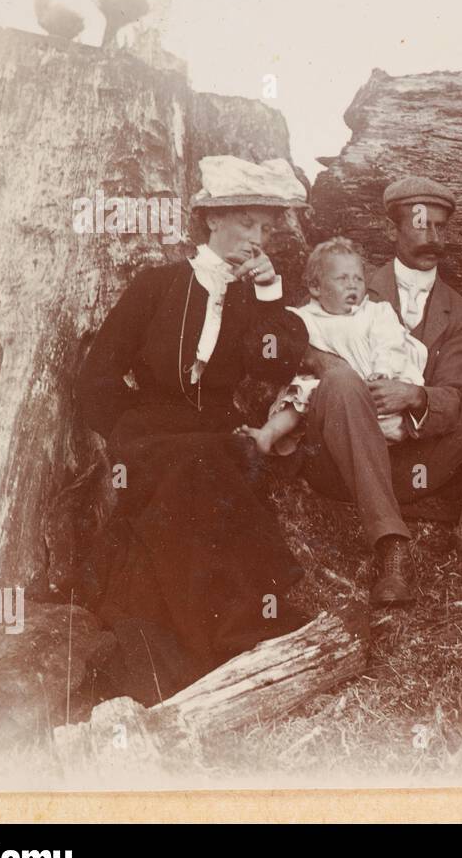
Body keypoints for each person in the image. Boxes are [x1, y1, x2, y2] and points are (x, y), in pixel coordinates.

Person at [77, 155, 312, 705]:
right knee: (192, 468)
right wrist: (122, 435)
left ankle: (200, 647)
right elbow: (98, 376)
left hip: (215, 438)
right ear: (211, 220)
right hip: (148, 438)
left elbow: (275, 365)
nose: (258, 238)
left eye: (265, 228)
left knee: (208, 468)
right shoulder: (157, 286)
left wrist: (272, 293)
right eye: (248, 223)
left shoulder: (256, 300)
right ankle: (235, 633)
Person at [301, 176, 462, 605]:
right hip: (339, 461)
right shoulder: (347, 280)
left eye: (441, 226)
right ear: (393, 230)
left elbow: (458, 398)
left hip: (415, 464)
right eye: (421, 223)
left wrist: (417, 397)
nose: (432, 235)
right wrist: (323, 360)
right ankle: (391, 549)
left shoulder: (461, 313)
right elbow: (295, 331)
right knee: (342, 379)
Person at [240, 237, 427, 453]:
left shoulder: (376, 313)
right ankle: (268, 433)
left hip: (380, 402)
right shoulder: (304, 318)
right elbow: (278, 336)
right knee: (304, 392)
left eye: (358, 279)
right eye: (342, 278)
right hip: (331, 412)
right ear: (315, 287)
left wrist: (383, 370)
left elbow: (389, 344)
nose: (352, 285)